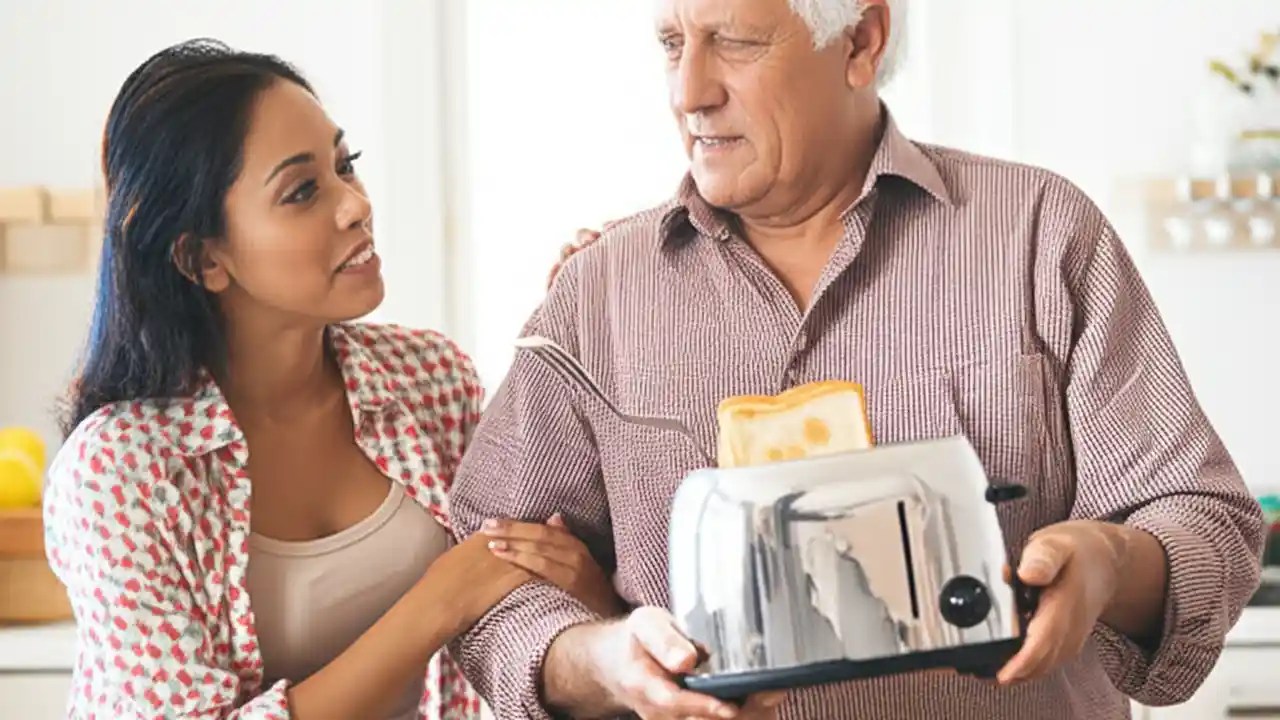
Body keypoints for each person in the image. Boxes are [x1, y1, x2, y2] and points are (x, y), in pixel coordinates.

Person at [448, 0, 1266, 718]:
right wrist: (603, 662)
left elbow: (1205, 521)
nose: (687, 91)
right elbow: (488, 593)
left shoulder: (1040, 234)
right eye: (671, 43)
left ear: (861, 39)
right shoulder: (596, 294)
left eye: (733, 41)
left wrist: (1109, 561)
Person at [43, 39, 615, 720]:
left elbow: (534, 575)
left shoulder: (429, 379)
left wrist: (577, 333)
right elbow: (469, 585)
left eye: (347, 167)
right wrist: (439, 602)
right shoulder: (120, 469)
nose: (354, 206)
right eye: (302, 191)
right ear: (202, 259)